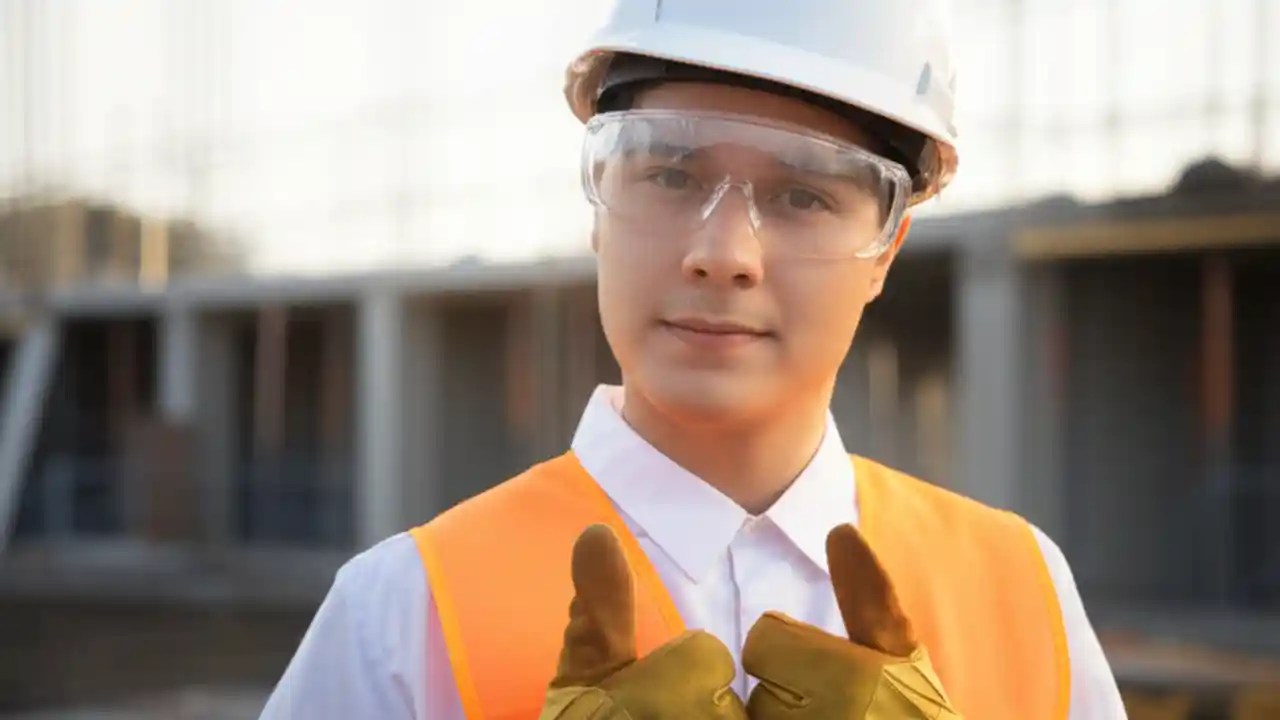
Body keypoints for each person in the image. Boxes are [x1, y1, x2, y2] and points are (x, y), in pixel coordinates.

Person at [260, 1, 1128, 718]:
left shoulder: (1023, 591)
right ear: (598, 208)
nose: (724, 252)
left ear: (887, 248)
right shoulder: (406, 613)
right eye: (672, 176)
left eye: (802, 193)